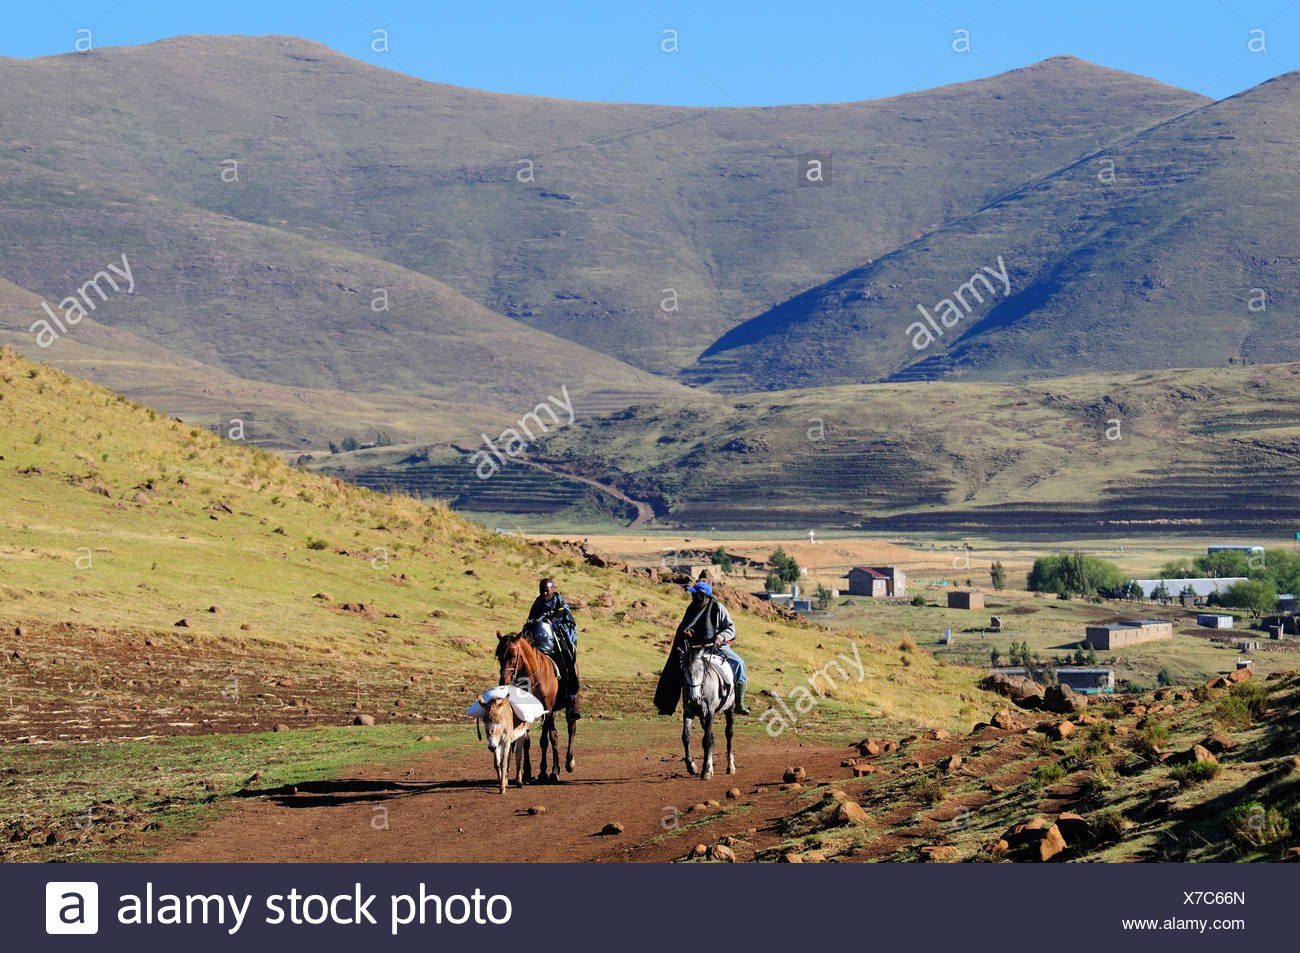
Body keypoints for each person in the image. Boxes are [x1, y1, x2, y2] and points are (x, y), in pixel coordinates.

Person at [655, 580, 750, 715]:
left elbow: (730, 628)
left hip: (716, 647)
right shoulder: (691, 608)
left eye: (695, 594)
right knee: (675, 666)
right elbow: (688, 626)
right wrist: (688, 634)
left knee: (739, 664)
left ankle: (739, 703)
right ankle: (668, 705)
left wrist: (719, 638)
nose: (692, 596)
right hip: (695, 648)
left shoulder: (718, 608)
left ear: (703, 595)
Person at [527, 577, 581, 718]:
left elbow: (570, 623)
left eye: (547, 590)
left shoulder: (560, 604)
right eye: (542, 591)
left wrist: (555, 625)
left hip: (558, 640)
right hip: (540, 641)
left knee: (568, 661)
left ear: (553, 589)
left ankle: (572, 699)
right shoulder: (537, 604)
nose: (544, 593)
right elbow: (531, 619)